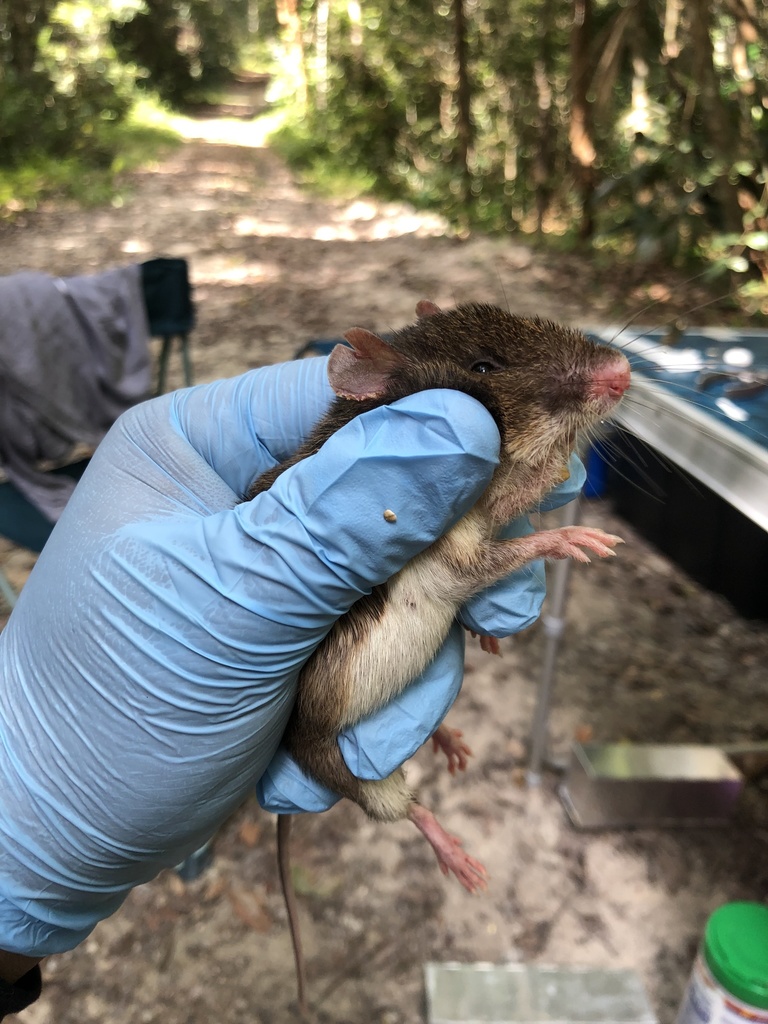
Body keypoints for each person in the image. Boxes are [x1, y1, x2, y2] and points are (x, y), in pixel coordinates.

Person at [0, 355, 585, 1017]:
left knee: (394, 682)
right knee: (364, 748)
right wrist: (547, 540)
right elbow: (463, 563)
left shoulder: (439, 503)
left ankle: (427, 772)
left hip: (344, 672)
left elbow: (472, 543)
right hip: (330, 703)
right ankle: (430, 827)